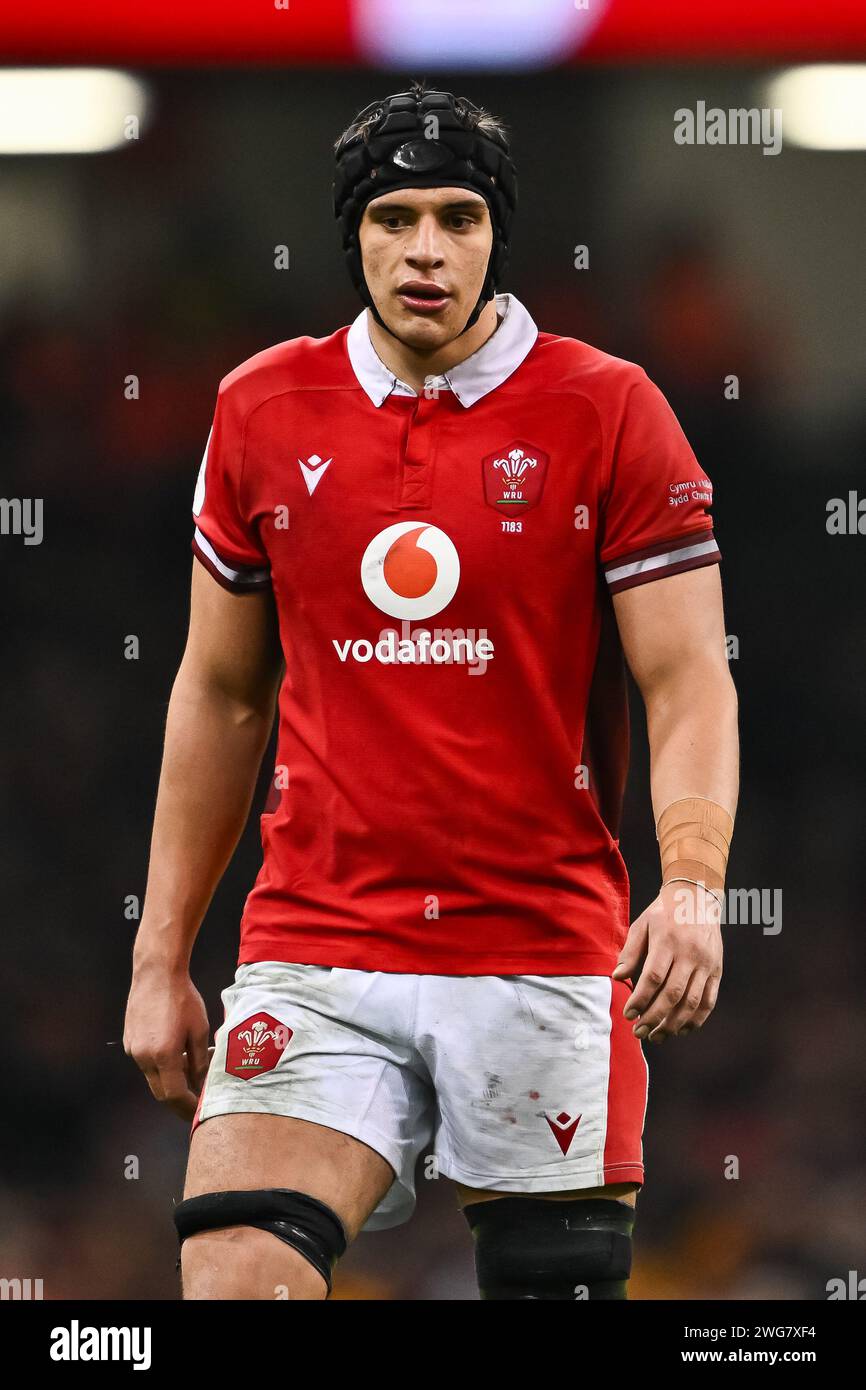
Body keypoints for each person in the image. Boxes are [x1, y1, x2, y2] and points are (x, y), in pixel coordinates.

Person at [124, 82, 739, 1301]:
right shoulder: (260, 406)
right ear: (350, 232)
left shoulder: (605, 408)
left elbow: (683, 681)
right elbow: (220, 693)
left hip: (539, 945)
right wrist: (158, 957)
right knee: (234, 1277)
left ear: (494, 234)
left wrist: (692, 886)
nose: (424, 250)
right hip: (318, 940)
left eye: (458, 217)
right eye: (393, 217)